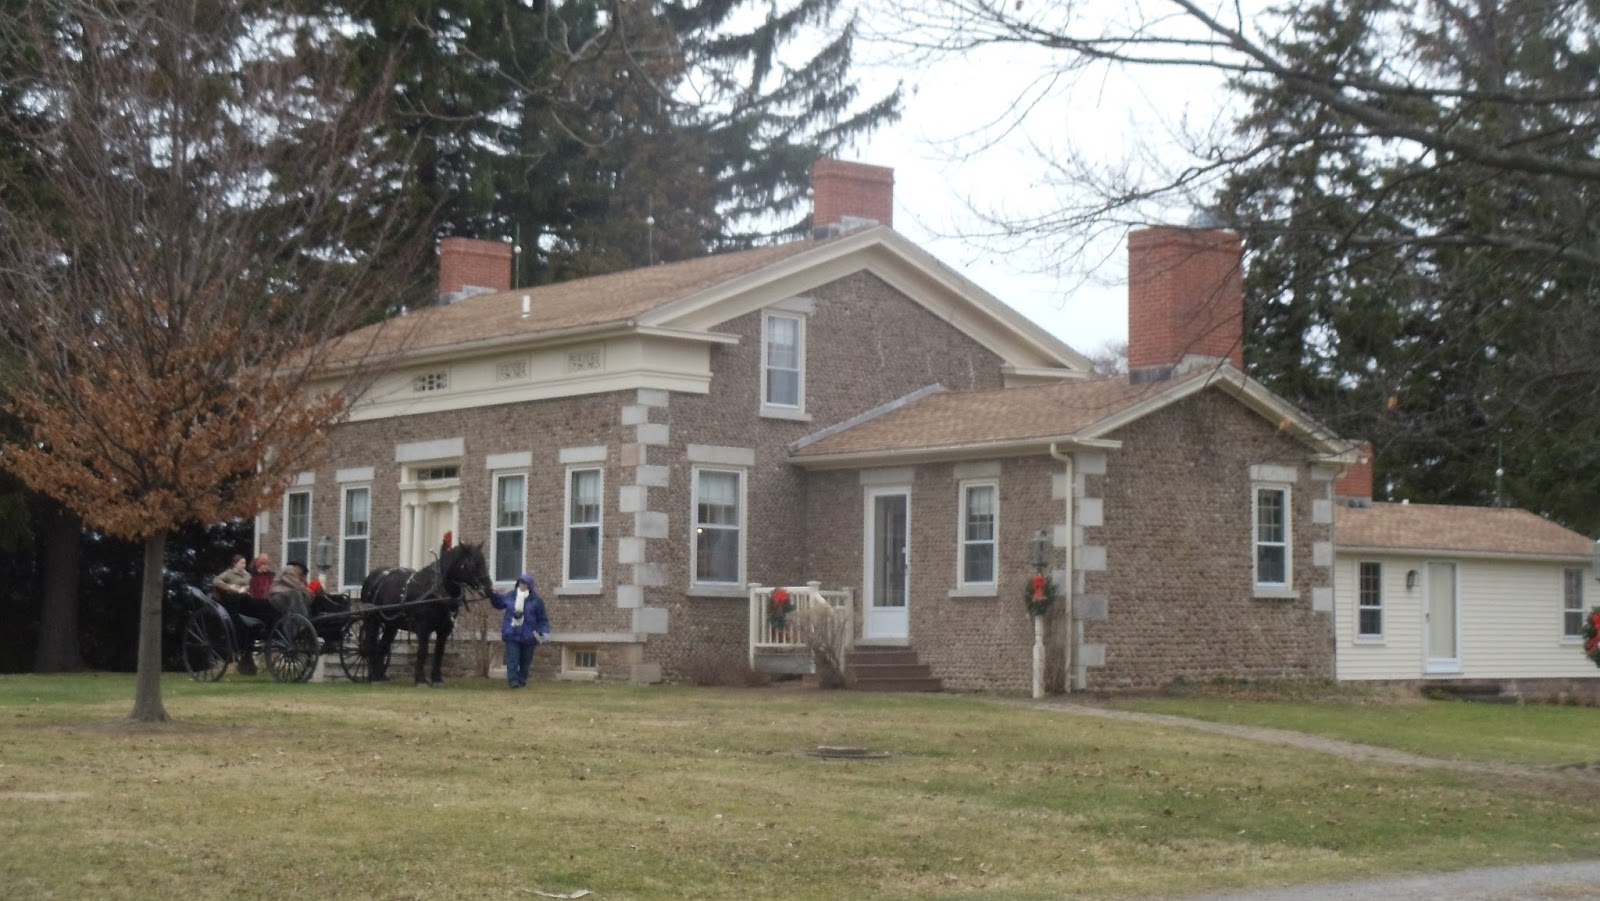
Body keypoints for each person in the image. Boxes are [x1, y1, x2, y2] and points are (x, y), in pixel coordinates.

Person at [490, 572, 549, 689]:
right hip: (512, 633)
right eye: (520, 583)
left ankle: (522, 680)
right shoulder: (511, 596)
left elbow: (542, 619)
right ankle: (513, 681)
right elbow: (499, 603)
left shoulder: (536, 601)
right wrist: (493, 595)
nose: (522, 585)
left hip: (530, 636)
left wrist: (544, 632)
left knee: (525, 662)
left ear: (530, 586)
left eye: (525, 583)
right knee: (512, 659)